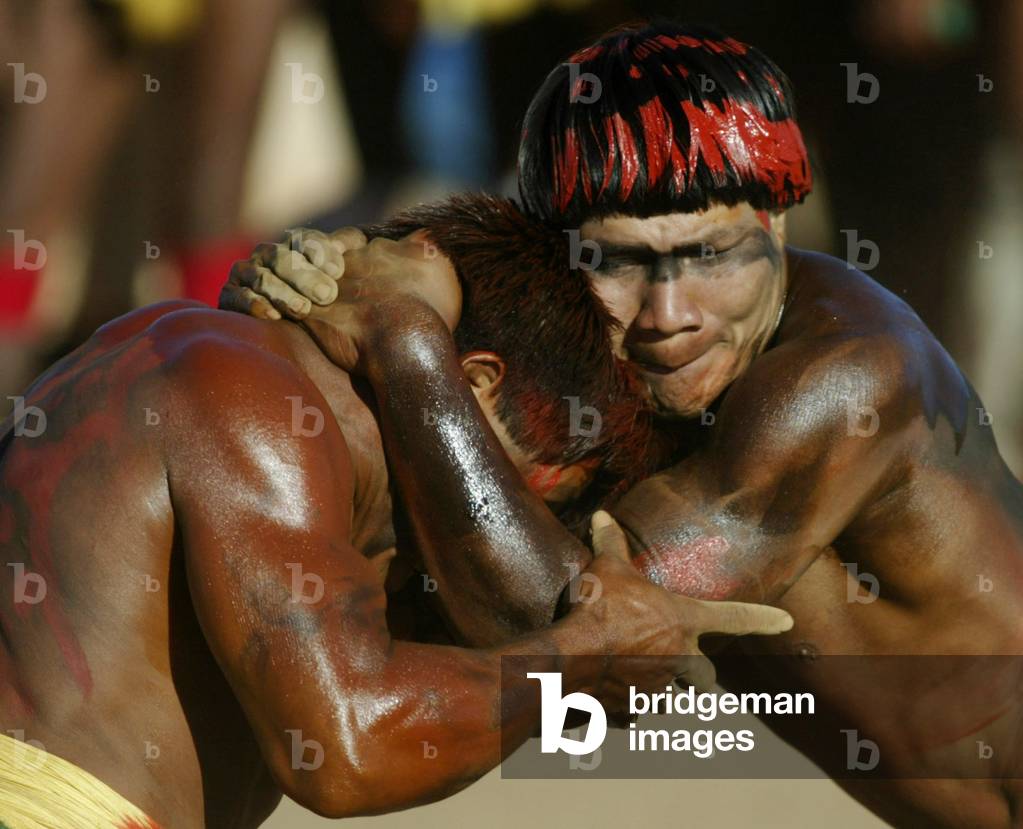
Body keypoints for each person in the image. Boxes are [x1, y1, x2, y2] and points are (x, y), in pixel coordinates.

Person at [224, 22, 1023, 829]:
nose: (670, 316)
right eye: (621, 261)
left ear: (777, 227)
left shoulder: (842, 380)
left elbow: (580, 651)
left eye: (711, 255)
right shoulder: (602, 328)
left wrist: (403, 340)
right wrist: (306, 281)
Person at [0, 192, 791, 828]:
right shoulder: (244, 398)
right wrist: (582, 653)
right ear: (472, 387)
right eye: (530, 498)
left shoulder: (192, 356)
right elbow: (345, 751)